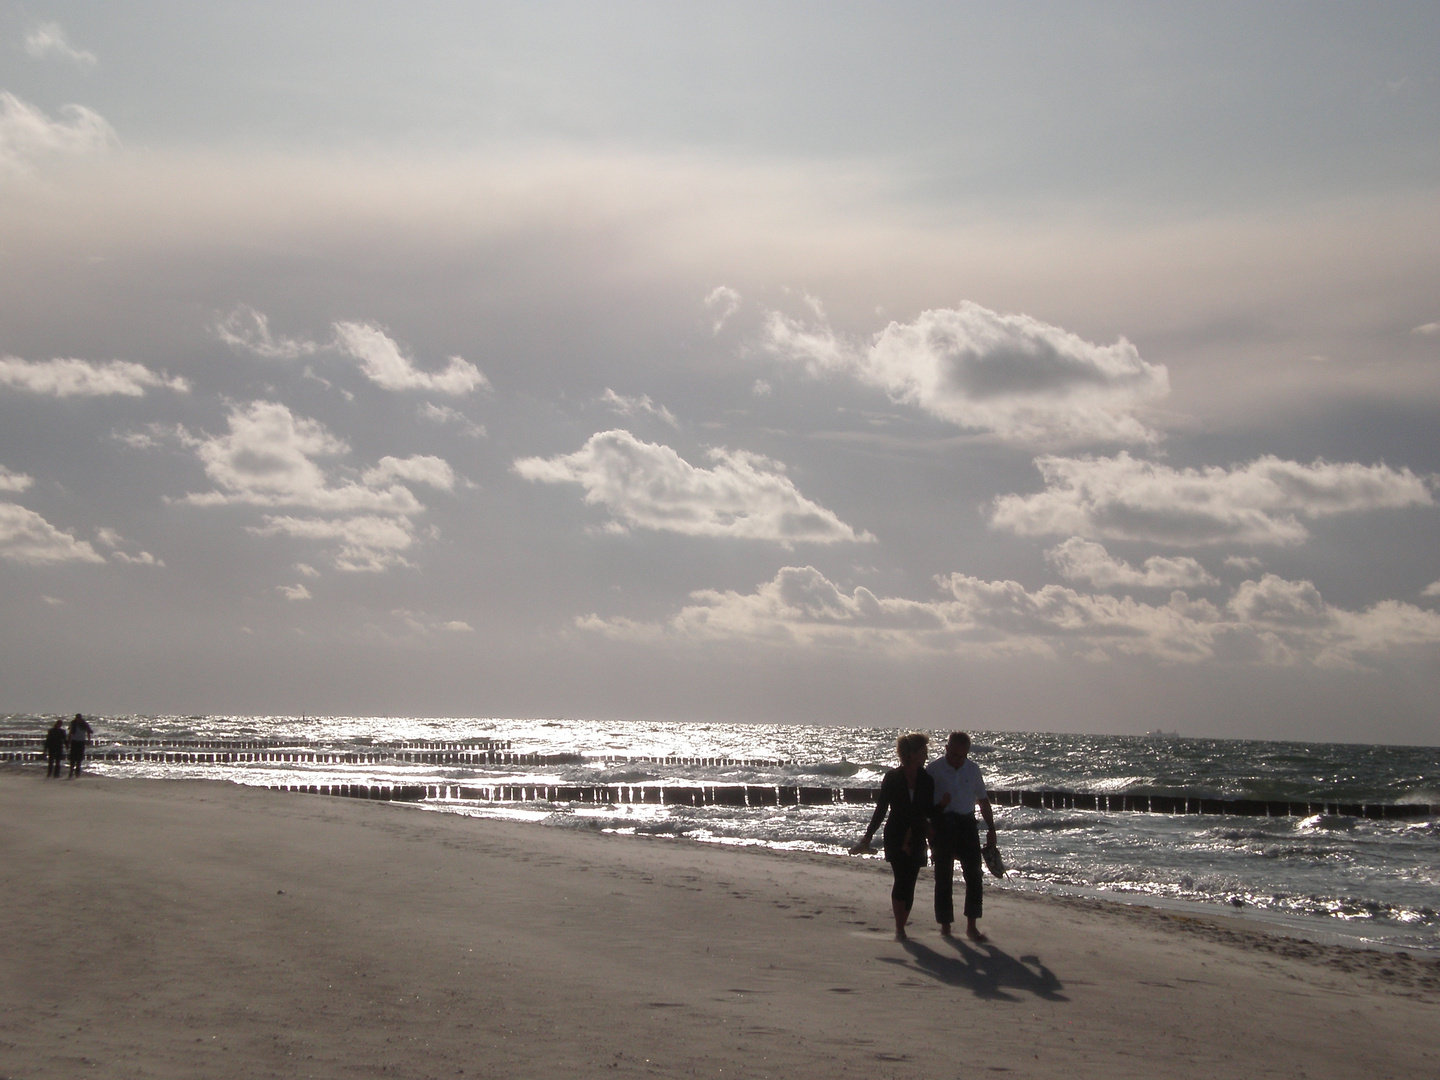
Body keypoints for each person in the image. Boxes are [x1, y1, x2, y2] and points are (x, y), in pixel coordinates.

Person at [849, 732, 936, 941]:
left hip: (917, 834)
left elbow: (928, 812)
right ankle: (899, 927)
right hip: (896, 833)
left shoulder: (926, 779)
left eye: (926, 750)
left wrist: (933, 835)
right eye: (922, 751)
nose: (926, 754)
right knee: (901, 877)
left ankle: (902, 923)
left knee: (911, 880)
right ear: (911, 753)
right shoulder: (893, 777)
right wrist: (868, 837)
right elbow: (881, 809)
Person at [926, 731, 996, 941]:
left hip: (967, 824)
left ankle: (971, 926)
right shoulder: (934, 769)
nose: (957, 759)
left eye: (962, 755)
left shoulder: (972, 769)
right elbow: (925, 802)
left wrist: (991, 829)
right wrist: (927, 826)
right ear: (946, 749)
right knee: (943, 876)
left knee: (974, 875)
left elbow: (983, 800)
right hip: (943, 824)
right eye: (954, 754)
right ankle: (945, 925)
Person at [67, 713, 93, 778]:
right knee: (73, 758)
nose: (77, 719)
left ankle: (77, 772)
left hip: (81, 741)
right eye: (77, 718)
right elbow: (70, 733)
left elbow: (88, 732)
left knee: (79, 758)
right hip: (74, 741)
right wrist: (68, 741)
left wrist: (89, 740)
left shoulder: (84, 724)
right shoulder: (73, 723)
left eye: (78, 718)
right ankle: (71, 771)